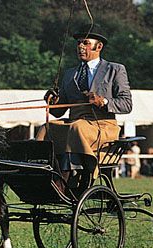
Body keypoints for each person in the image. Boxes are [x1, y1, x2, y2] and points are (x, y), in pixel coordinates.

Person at [36, 24, 132, 194]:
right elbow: (58, 111)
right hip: (77, 125)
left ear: (99, 46)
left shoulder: (115, 70)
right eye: (79, 43)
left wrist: (103, 102)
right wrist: (51, 101)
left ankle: (65, 178)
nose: (80, 46)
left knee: (76, 127)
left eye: (86, 43)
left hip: (103, 126)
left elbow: (126, 104)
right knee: (47, 128)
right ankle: (42, 172)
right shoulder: (69, 74)